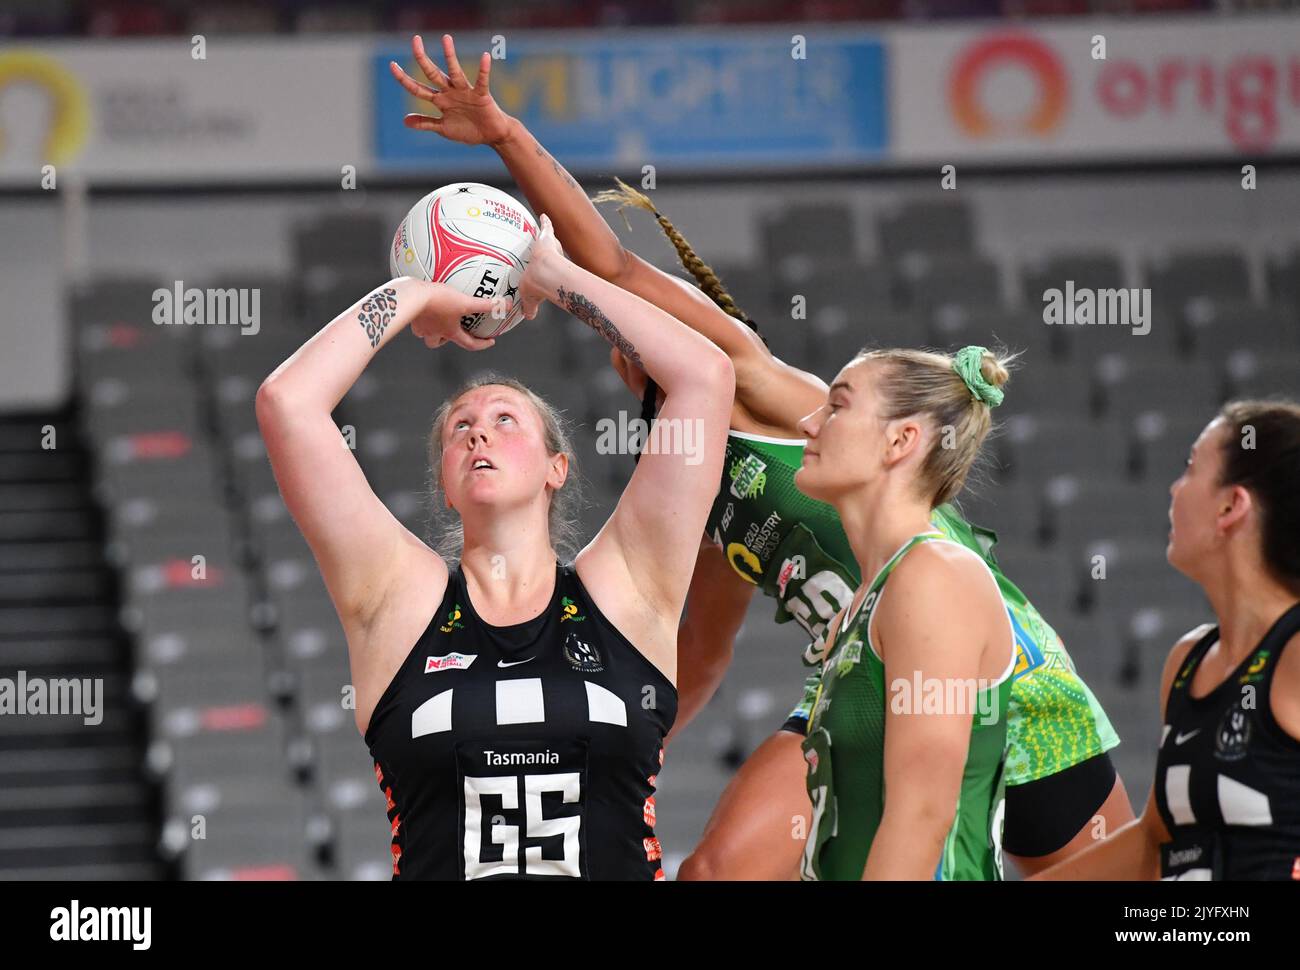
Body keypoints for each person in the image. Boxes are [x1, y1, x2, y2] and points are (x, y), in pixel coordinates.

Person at [388, 32, 1130, 878]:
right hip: (853, 674)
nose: (616, 335)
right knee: (716, 871)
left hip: (1006, 669)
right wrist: (581, 743)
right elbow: (698, 652)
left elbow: (615, 269)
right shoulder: (689, 480)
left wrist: (504, 137)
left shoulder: (770, 393)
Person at [256, 215, 734, 879]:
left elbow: (706, 376)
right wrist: (417, 294)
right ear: (447, 487)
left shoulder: (626, 588)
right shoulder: (399, 600)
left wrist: (557, 279)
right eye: (460, 429)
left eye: (505, 420)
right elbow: (288, 403)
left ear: (555, 467)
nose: (478, 434)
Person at [1035, 401, 1300, 880]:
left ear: (1230, 506)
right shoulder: (1188, 661)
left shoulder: (1294, 653)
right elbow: (1152, 843)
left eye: (1191, 468)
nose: (1175, 489)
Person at [795, 345, 1017, 879]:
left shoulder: (934, 576)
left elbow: (922, 815)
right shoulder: (871, 595)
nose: (808, 424)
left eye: (837, 406)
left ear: (901, 440)